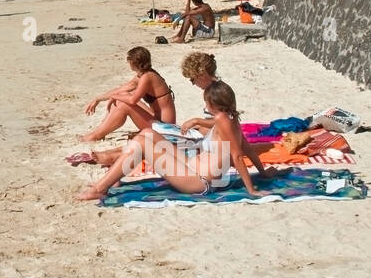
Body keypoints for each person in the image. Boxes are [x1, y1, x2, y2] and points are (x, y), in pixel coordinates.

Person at [75, 80, 276, 202]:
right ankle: (114, 174)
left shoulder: (224, 120)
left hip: (198, 181)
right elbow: (247, 147)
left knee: (143, 143)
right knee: (147, 134)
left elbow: (239, 155)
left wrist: (251, 190)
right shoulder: (229, 118)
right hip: (190, 169)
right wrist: (264, 173)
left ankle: (101, 188)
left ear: (213, 103)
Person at [80, 46, 176, 142]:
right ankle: (99, 131)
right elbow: (120, 90)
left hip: (165, 130)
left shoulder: (147, 77)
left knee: (124, 104)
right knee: (123, 96)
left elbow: (133, 101)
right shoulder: (146, 74)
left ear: (133, 62)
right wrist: (98, 99)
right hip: (158, 122)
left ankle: (97, 135)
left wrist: (115, 97)